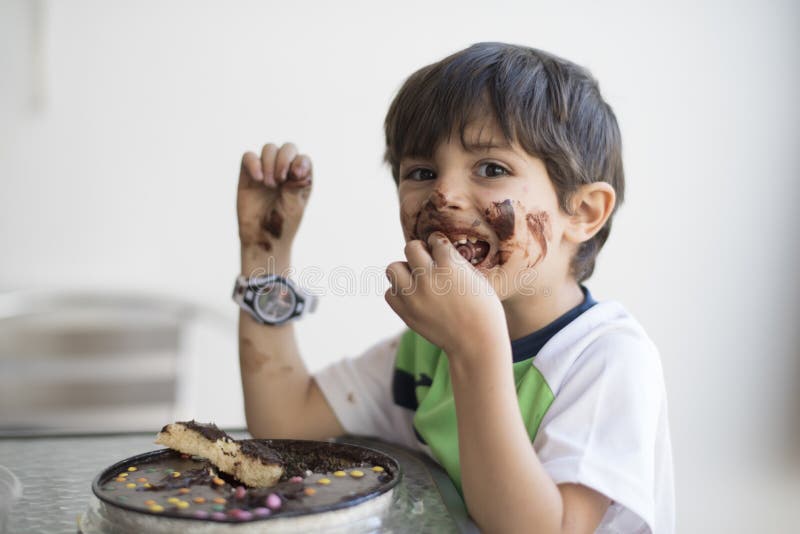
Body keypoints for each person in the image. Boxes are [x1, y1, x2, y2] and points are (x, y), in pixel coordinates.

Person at [234, 42, 674, 533]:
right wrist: (264, 252)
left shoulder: (606, 360)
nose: (442, 195)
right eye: (421, 173)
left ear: (584, 212)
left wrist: (474, 349)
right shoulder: (426, 352)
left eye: (492, 168)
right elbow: (284, 419)